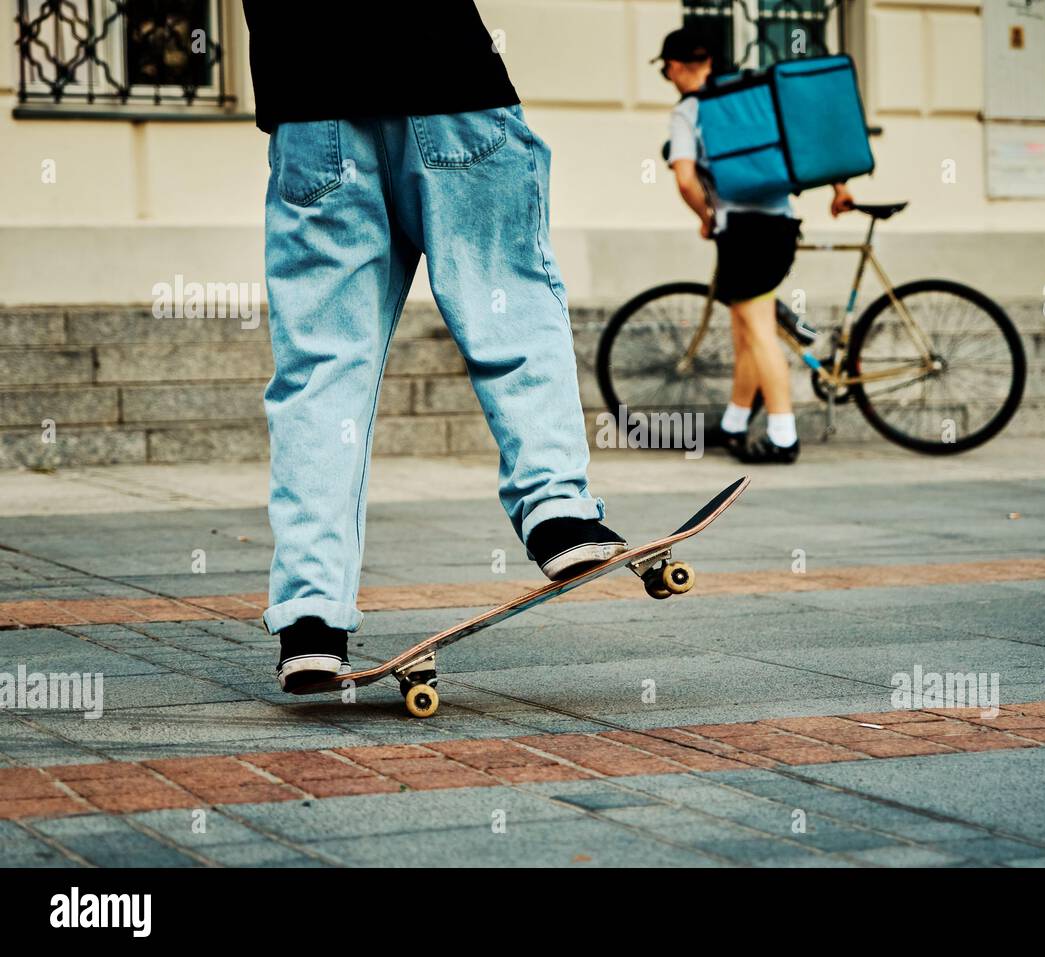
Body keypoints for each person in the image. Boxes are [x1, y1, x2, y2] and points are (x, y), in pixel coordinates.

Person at [243, 2, 626, 691]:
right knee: (505, 304)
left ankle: (310, 617)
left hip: (308, 109)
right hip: (445, 82)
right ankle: (558, 513)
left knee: (319, 372)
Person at [655, 28, 857, 464]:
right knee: (745, 329)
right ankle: (735, 422)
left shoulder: (691, 111)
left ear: (672, 67)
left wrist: (706, 218)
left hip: (741, 233)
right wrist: (839, 186)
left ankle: (783, 435)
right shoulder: (756, 93)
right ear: (710, 61)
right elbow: (809, 135)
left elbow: (686, 179)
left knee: (759, 332)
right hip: (780, 226)